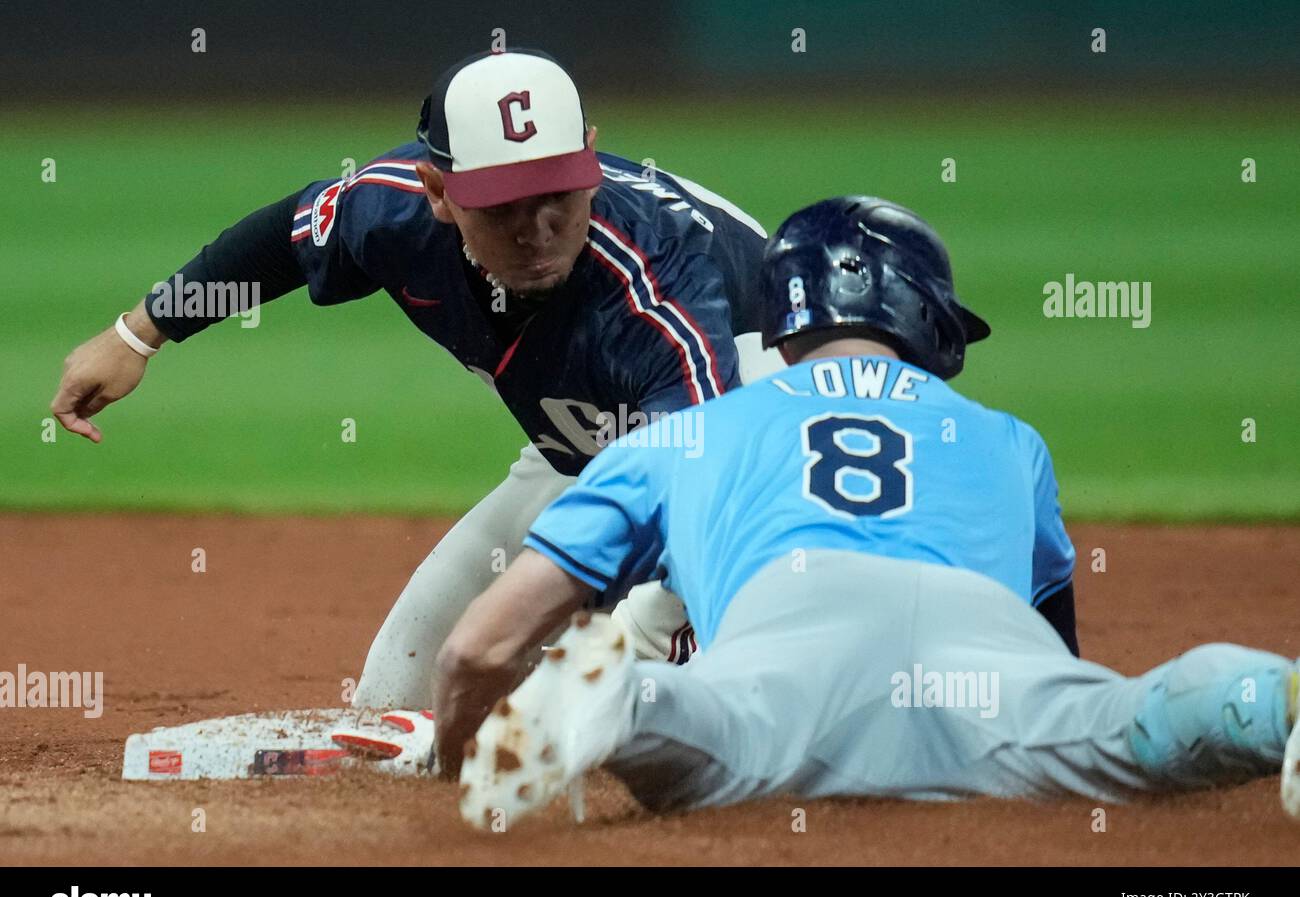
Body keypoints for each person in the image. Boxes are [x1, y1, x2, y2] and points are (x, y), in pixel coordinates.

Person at [431, 196, 1300, 829]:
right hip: (988, 662)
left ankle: (617, 700)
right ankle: (1277, 705)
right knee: (1136, 721)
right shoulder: (1010, 441)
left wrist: (457, 752)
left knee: (702, 729)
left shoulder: (687, 434)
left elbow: (482, 644)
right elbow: (1058, 643)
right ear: (923, 314)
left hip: (786, 652)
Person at [49, 49, 781, 710]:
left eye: (557, 194)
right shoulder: (389, 209)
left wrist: (615, 655)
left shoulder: (660, 282)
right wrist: (138, 334)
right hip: (594, 444)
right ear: (437, 190)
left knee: (636, 699)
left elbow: (699, 486)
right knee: (395, 695)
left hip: (759, 460)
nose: (536, 229)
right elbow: (285, 239)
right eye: (502, 206)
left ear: (589, 160)